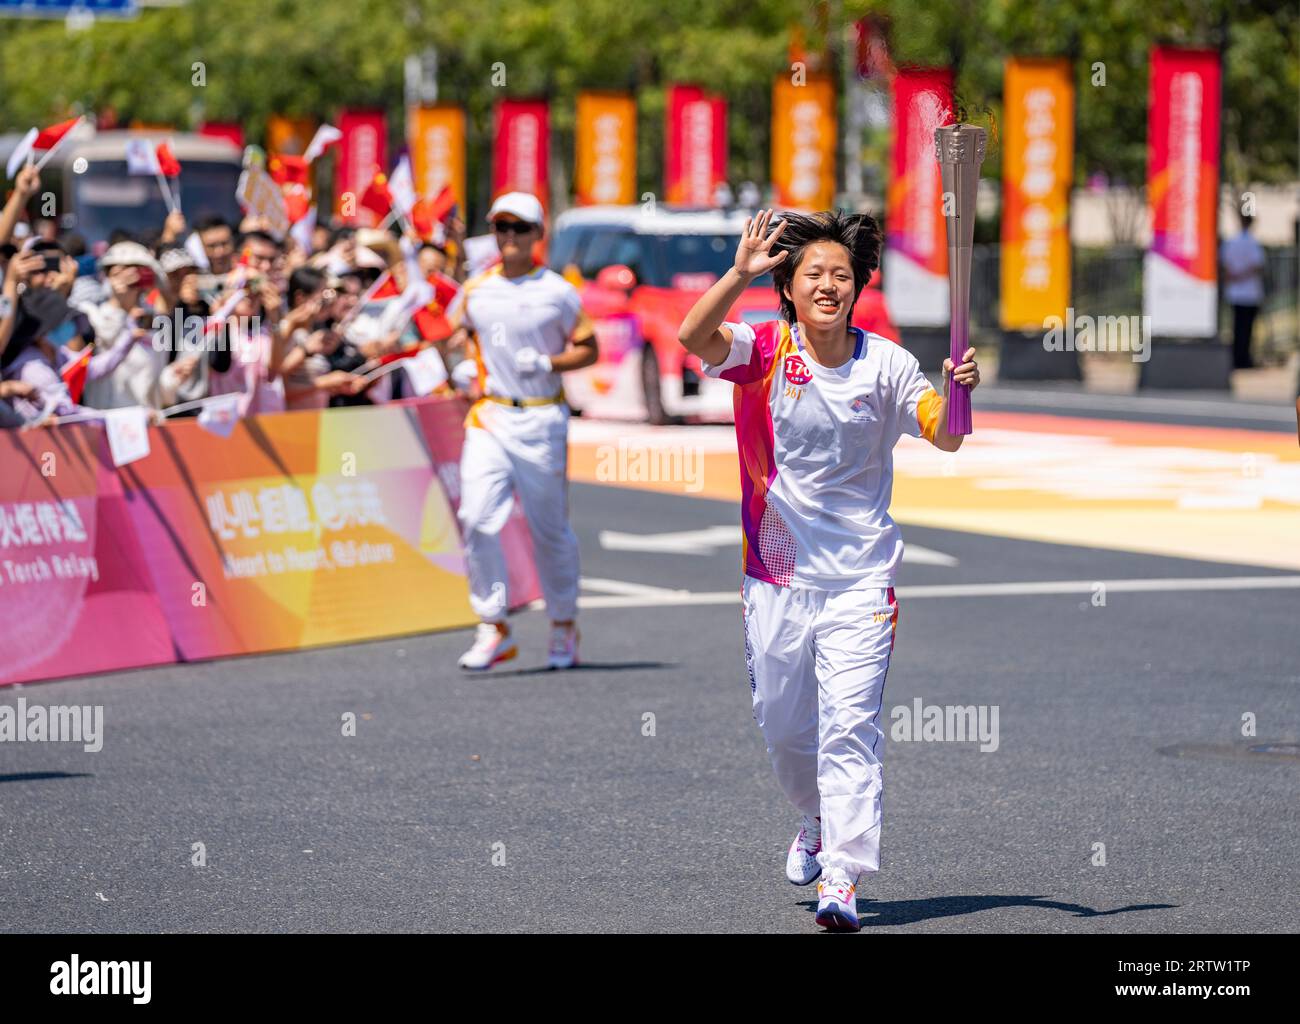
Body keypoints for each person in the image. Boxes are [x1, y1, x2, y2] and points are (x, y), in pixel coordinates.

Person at [677, 209, 980, 932]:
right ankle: (811, 818)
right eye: (813, 273)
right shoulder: (761, 350)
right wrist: (738, 273)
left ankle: (841, 878)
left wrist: (961, 390)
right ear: (788, 286)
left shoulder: (889, 365)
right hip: (776, 578)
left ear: (857, 288)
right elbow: (693, 338)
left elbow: (948, 436)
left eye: (841, 274)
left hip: (861, 583)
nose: (828, 285)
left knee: (849, 730)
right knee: (784, 731)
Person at [446, 192, 597, 671]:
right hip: (490, 416)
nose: (509, 237)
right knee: (475, 516)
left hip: (541, 417)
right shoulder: (476, 290)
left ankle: (563, 625)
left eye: (519, 229)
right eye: (501, 228)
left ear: (536, 235)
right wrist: (460, 368)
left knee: (548, 530)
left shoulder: (557, 291)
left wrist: (549, 362)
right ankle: (493, 624)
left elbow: (589, 348)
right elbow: (450, 335)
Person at [1220, 210, 1266, 370]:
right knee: (1246, 329)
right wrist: (1242, 276)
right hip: (1250, 292)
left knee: (1237, 327)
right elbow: (1257, 266)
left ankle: (1237, 358)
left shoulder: (1232, 242)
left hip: (1235, 292)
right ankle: (1243, 359)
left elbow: (1225, 265)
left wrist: (1234, 277)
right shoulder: (1252, 243)